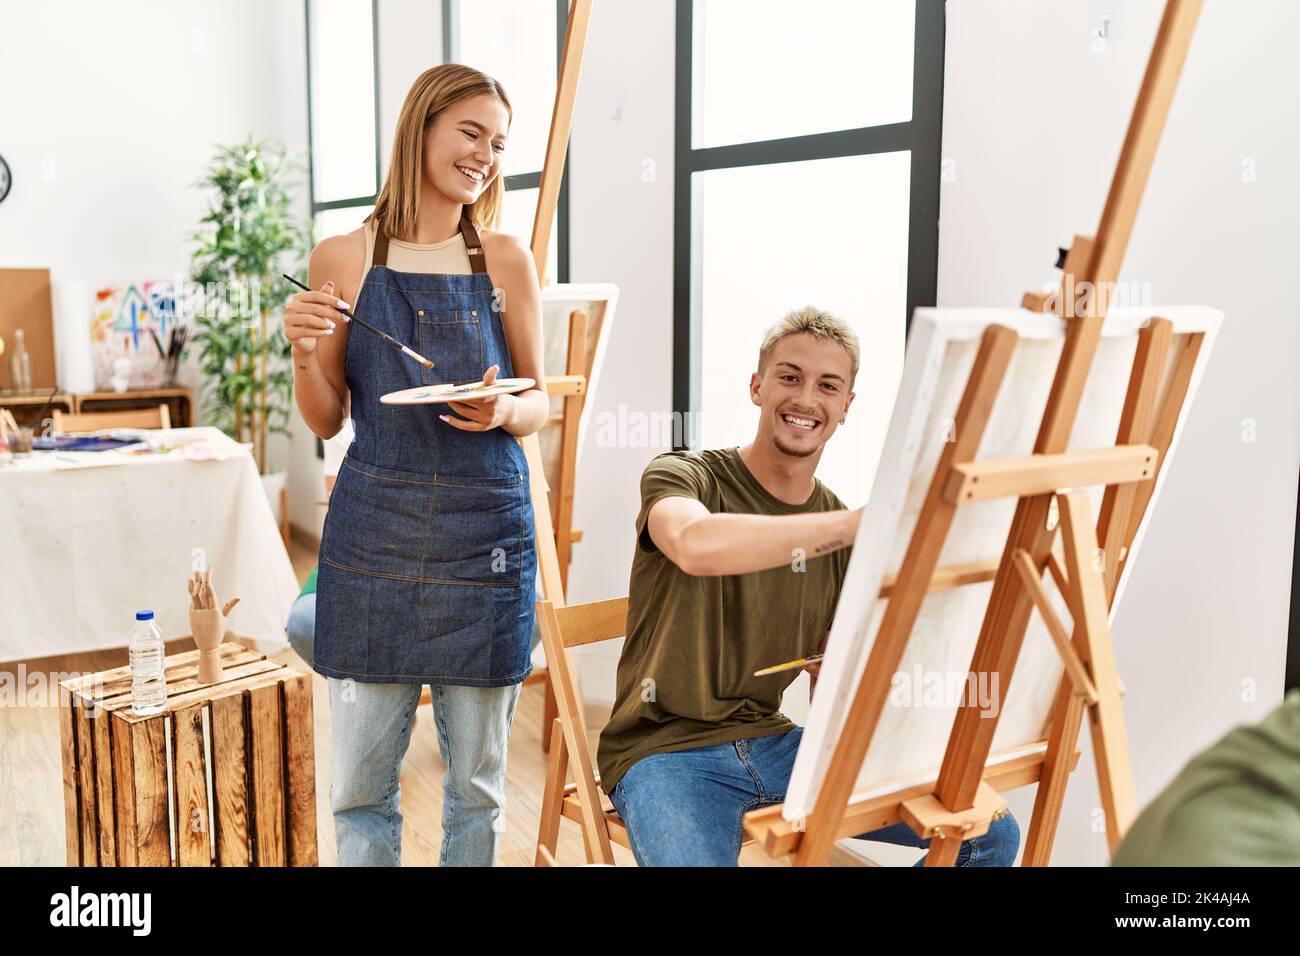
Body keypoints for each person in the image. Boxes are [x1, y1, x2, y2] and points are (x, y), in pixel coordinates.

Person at [596, 307, 1021, 866]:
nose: (805, 399)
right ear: (757, 386)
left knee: (989, 832)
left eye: (828, 386)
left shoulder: (840, 531)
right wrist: (858, 526)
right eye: (789, 377)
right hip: (663, 752)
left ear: (846, 407)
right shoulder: (685, 475)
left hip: (777, 745)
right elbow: (695, 545)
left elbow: (832, 678)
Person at [284, 63, 548, 867]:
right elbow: (328, 415)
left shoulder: (505, 261)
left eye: (498, 143)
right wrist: (302, 349)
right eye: (470, 132)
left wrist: (505, 409)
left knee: (478, 788)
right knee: (361, 789)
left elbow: (542, 404)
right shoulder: (343, 255)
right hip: (375, 539)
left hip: (486, 536)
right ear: (421, 129)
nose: (485, 156)